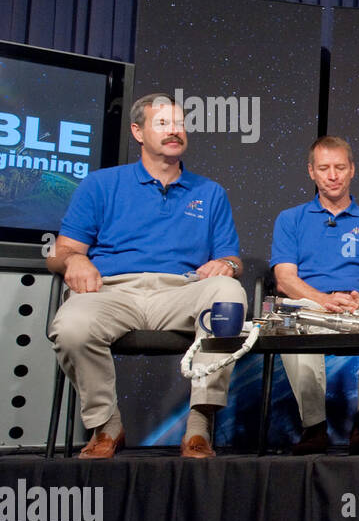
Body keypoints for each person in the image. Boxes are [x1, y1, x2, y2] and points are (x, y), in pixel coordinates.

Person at [46, 93, 246, 459]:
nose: (175, 131)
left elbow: (231, 257)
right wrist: (74, 260)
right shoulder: (101, 184)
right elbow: (60, 252)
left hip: (181, 292)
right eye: (163, 123)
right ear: (138, 132)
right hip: (112, 292)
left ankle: (199, 425)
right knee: (71, 326)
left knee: (228, 292)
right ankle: (106, 426)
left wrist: (228, 266)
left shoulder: (210, 192)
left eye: (180, 124)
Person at [270, 136, 359, 455]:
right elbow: (285, 279)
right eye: (324, 168)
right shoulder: (290, 219)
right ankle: (314, 428)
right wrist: (323, 300)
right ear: (311, 172)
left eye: (340, 167)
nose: (332, 176)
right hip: (312, 304)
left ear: (352, 170)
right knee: (292, 317)